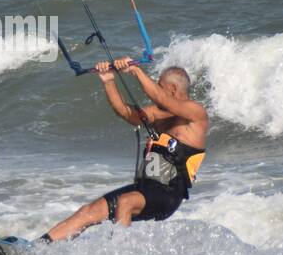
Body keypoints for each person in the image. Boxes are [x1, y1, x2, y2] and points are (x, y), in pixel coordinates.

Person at [40, 57, 208, 242]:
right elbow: (125, 112)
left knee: (125, 202)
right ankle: (40, 247)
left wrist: (135, 70)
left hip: (168, 192)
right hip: (145, 188)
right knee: (88, 211)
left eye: (159, 85)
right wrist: (109, 80)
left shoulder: (196, 113)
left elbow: (161, 98)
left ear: (173, 89)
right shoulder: (158, 114)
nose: (156, 89)